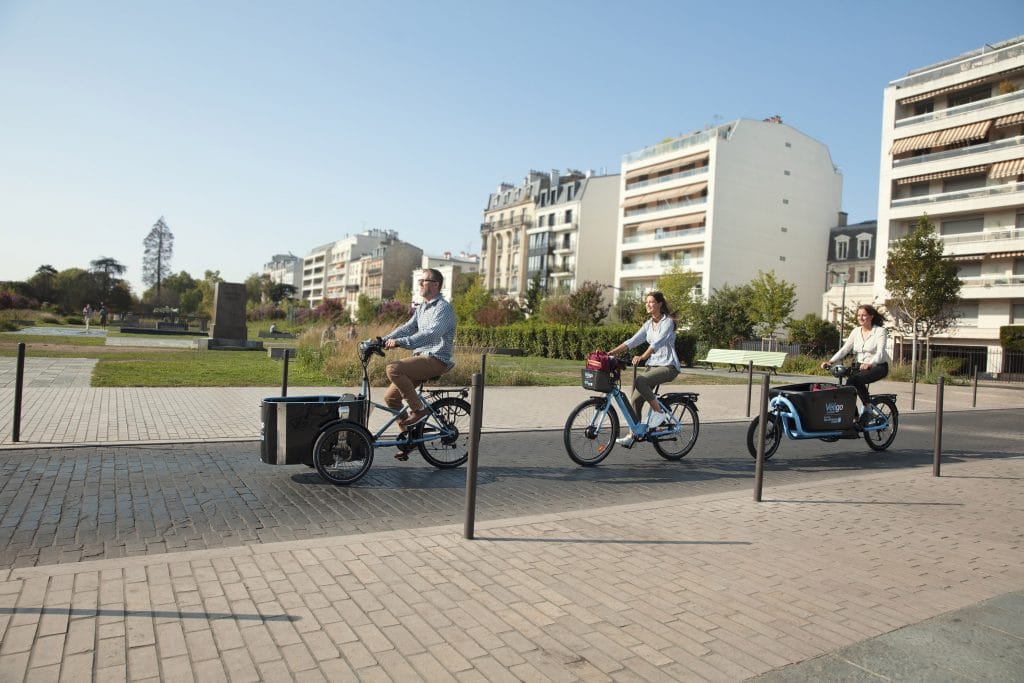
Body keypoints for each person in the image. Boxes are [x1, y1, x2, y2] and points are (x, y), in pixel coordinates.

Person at [382, 268, 456, 438]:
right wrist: (383, 339)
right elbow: (408, 327)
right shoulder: (422, 307)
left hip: (436, 359)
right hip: (422, 359)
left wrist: (400, 342)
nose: (420, 284)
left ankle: (419, 410)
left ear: (436, 285)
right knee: (391, 399)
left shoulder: (443, 308)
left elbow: (431, 334)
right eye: (419, 281)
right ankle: (409, 438)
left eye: (424, 281)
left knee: (393, 369)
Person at [606, 291, 681, 447]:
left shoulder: (668, 322)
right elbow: (632, 341)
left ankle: (659, 413)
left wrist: (643, 356)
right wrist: (611, 353)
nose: (648, 304)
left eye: (651, 302)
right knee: (635, 400)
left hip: (668, 366)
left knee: (640, 381)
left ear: (659, 304)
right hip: (653, 366)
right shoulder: (648, 324)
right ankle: (633, 434)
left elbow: (657, 343)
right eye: (646, 302)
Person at [821, 304, 890, 426]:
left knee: (855, 380)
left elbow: (880, 352)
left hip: (878, 366)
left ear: (871, 316)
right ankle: (855, 417)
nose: (860, 318)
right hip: (860, 366)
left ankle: (868, 409)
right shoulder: (856, 331)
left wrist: (870, 363)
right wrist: (830, 362)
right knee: (847, 388)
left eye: (864, 315)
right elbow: (845, 349)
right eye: (858, 315)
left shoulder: (880, 331)